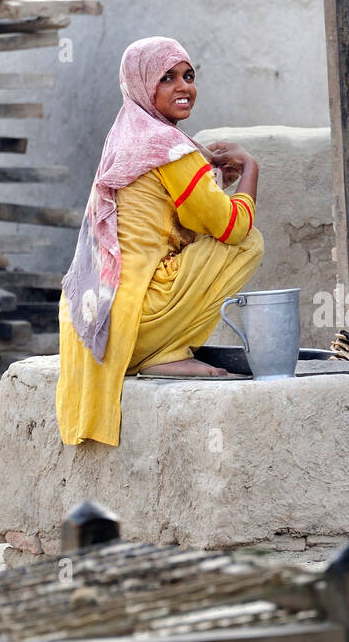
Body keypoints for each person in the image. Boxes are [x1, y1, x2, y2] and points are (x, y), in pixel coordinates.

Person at [56, 36, 263, 446]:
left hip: (89, 328)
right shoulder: (169, 150)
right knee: (248, 243)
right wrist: (253, 167)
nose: (183, 87)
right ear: (140, 84)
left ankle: (158, 350)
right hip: (133, 326)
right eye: (166, 78)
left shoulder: (126, 138)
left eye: (188, 76)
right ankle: (168, 353)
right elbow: (232, 227)